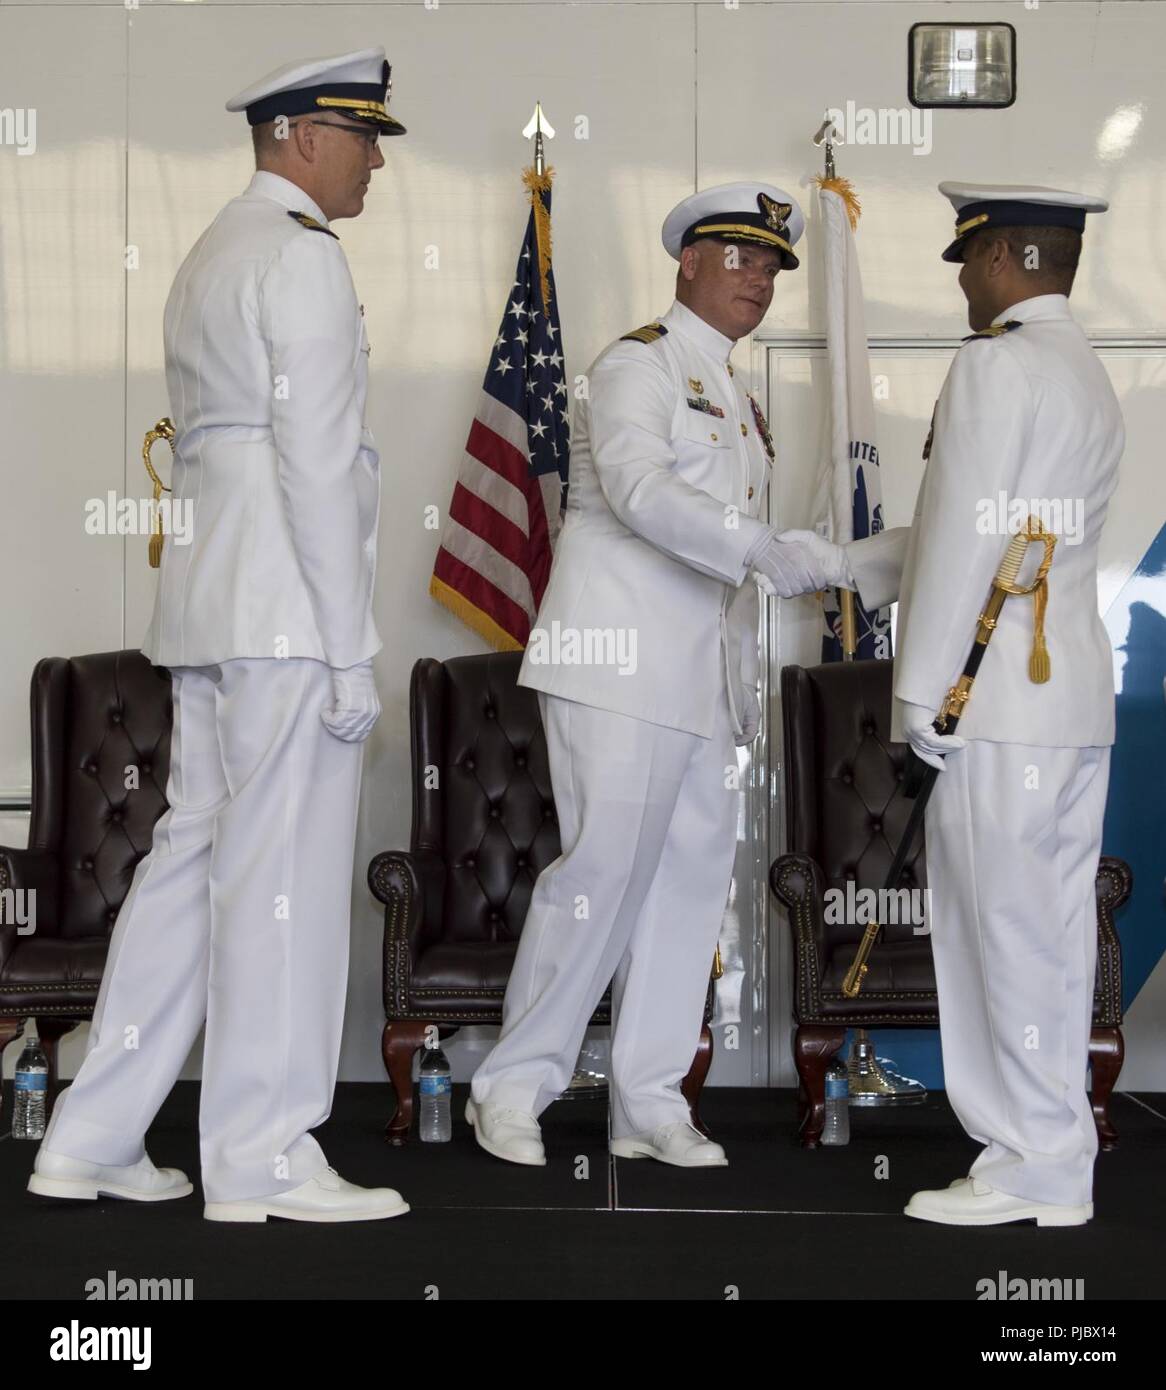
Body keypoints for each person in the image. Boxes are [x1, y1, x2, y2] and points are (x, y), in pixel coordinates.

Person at [29, 48, 410, 1224]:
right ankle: (264, 1155)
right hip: (288, 617)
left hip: (212, 613)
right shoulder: (297, 260)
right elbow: (311, 470)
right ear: (298, 135)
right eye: (359, 137)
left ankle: (86, 1134)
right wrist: (352, 644)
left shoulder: (208, 253)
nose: (373, 162)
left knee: (191, 870)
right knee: (277, 881)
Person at [467, 183, 849, 1168]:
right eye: (739, 259)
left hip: (703, 678)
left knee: (687, 890)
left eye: (770, 267)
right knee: (596, 879)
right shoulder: (633, 364)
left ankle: (649, 1099)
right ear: (686, 261)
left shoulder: (733, 391)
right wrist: (760, 545)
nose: (757, 279)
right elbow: (639, 490)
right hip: (616, 661)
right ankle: (511, 1087)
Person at [845, 182, 1122, 1226]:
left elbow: (965, 535)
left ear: (1006, 256)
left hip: (995, 701)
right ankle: (1055, 1157)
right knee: (1046, 934)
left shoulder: (994, 363)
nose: (962, 280)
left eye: (969, 259)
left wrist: (918, 693)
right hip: (1068, 701)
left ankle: (1025, 1160)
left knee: (996, 930)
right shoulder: (1085, 372)